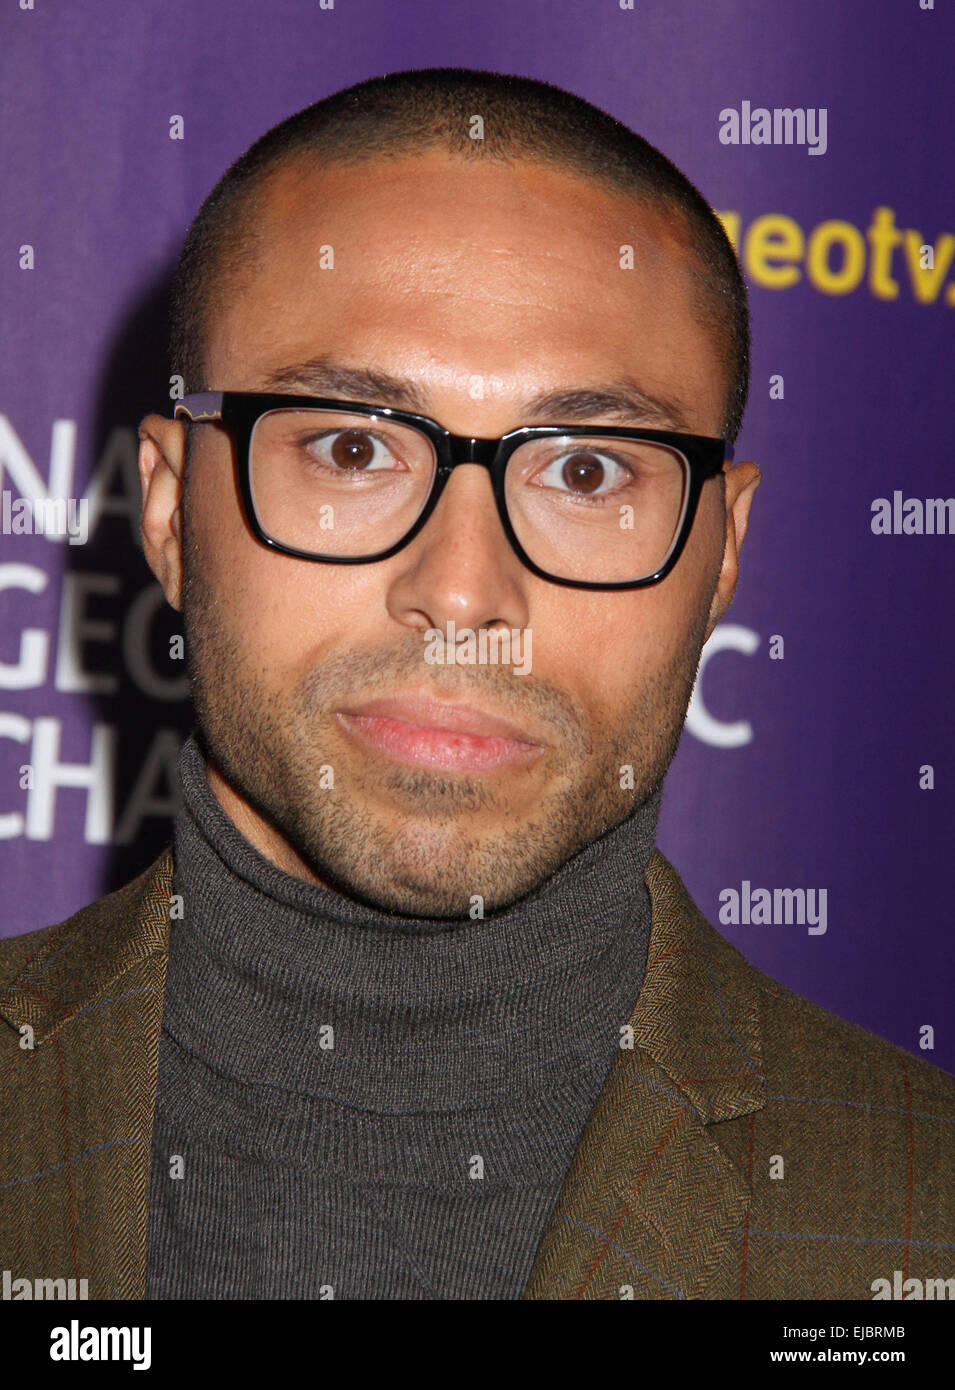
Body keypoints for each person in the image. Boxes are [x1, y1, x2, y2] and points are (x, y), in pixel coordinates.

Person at [1, 68, 952, 1302]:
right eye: (352, 447)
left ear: (721, 554)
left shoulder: (919, 1227)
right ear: (174, 513)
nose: (461, 593)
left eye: (589, 471)